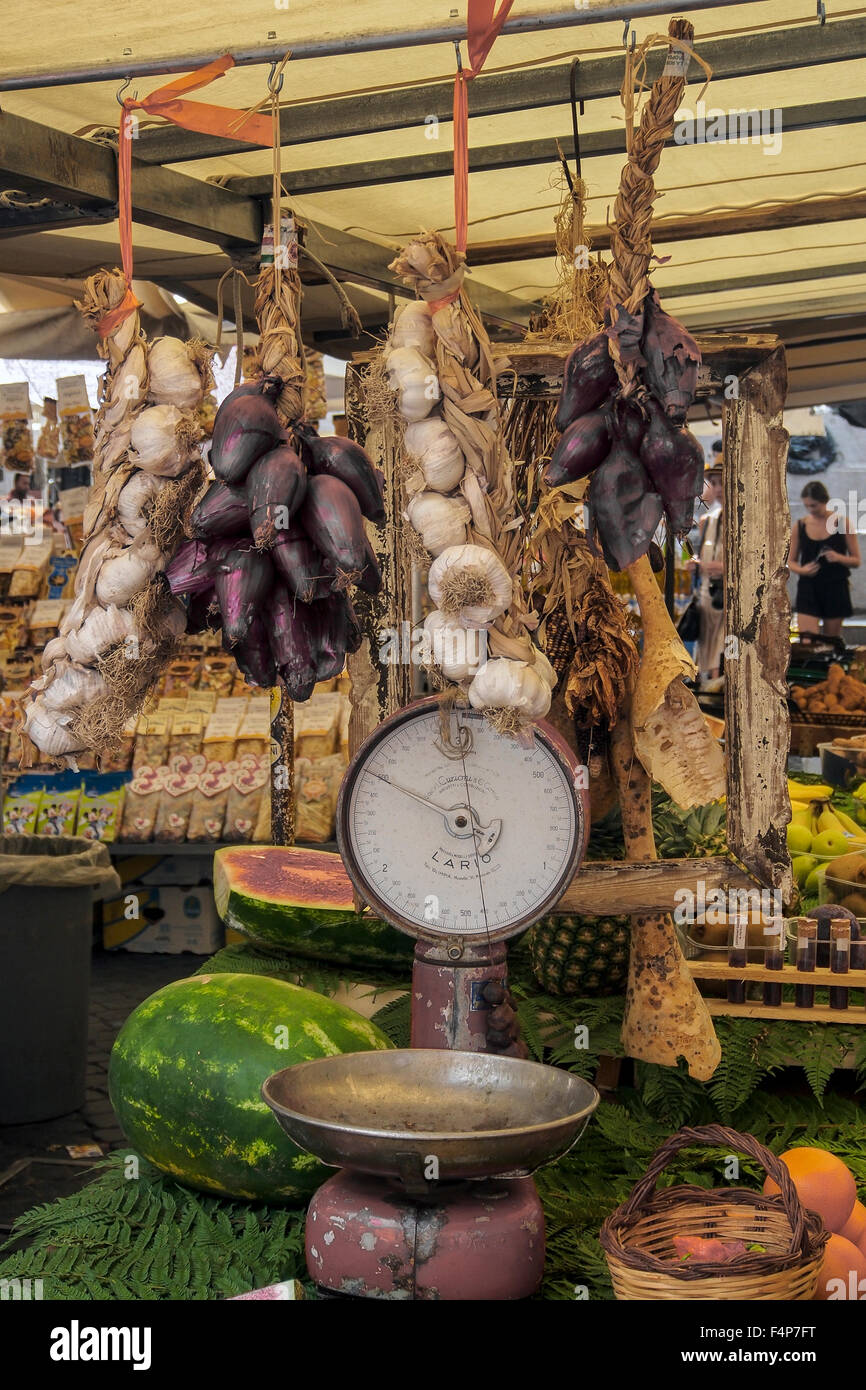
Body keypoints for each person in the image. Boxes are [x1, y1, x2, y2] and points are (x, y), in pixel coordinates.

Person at [790, 480, 860, 638]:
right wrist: (802, 570)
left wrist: (838, 557)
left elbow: (856, 561)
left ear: (825, 502)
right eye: (807, 506)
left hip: (835, 586)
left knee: (830, 642)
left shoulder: (842, 523)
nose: (810, 510)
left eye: (814, 505)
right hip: (809, 586)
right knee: (807, 641)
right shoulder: (800, 526)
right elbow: (790, 561)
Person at [687, 462, 725, 684]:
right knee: (707, 647)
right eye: (715, 483)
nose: (718, 488)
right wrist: (697, 564)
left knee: (724, 648)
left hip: (729, 598)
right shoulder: (707, 521)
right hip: (707, 595)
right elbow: (704, 556)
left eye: (722, 482)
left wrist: (723, 568)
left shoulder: (745, 519)